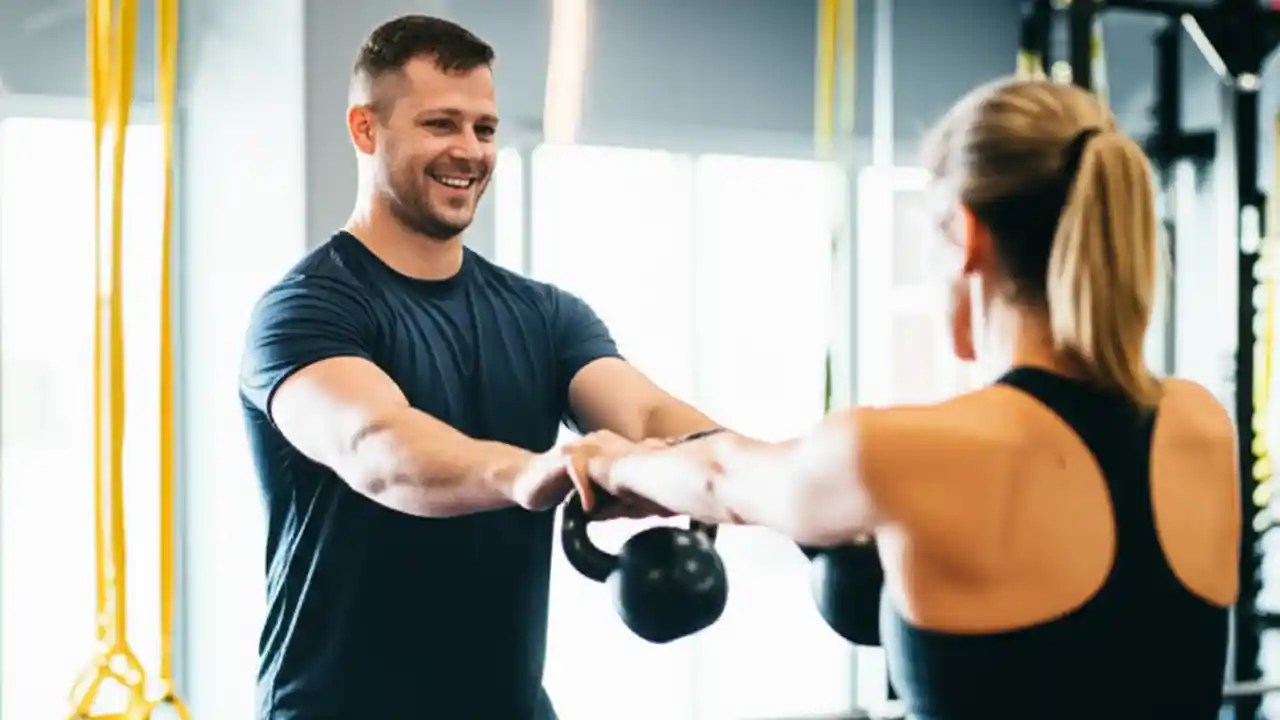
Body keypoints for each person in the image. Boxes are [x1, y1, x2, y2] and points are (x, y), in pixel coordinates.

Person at [580, 77, 1241, 718]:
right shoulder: (1202, 423)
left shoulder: (912, 453)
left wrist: (610, 463)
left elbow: (724, 477)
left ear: (966, 236)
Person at [238, 15, 725, 720]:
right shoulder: (305, 311)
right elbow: (380, 447)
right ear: (366, 130)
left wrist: (786, 482)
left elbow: (648, 417)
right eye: (441, 124)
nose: (469, 151)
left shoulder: (545, 315)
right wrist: (534, 471)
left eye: (485, 129)